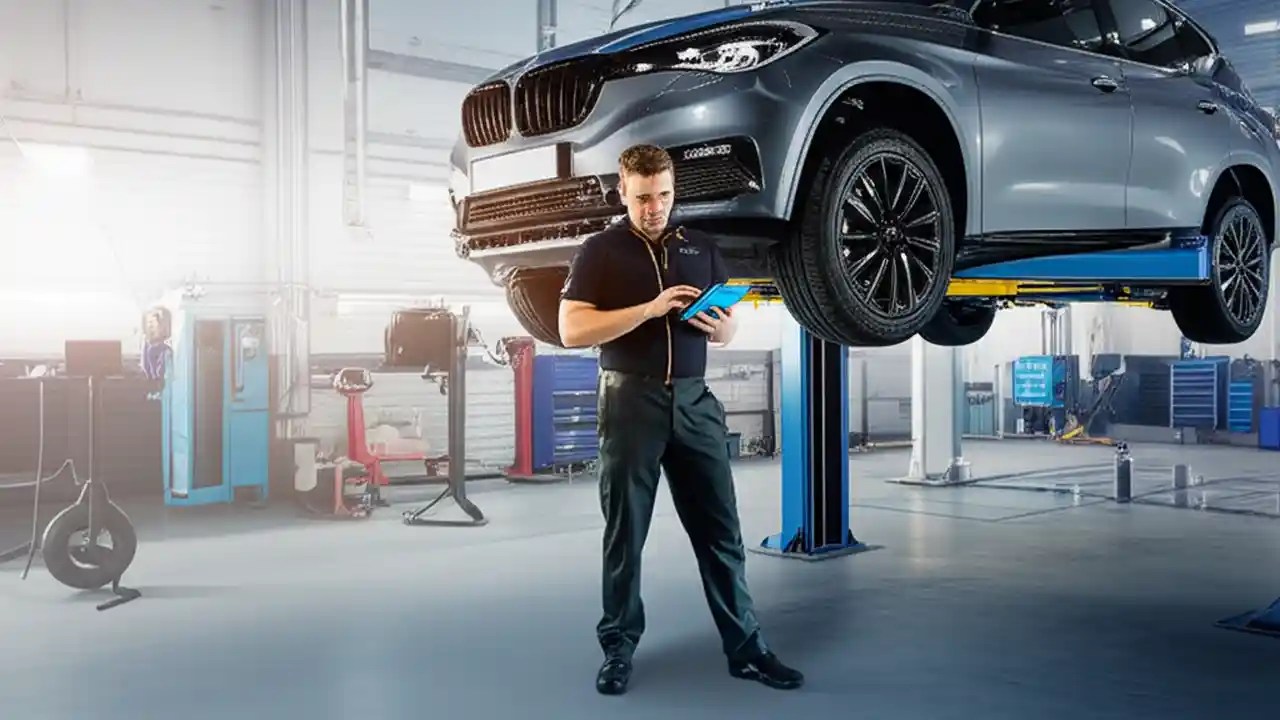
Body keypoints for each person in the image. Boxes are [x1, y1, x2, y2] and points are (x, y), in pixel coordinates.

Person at [558, 144, 804, 695]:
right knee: (626, 536)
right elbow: (572, 329)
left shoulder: (700, 247)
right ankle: (618, 650)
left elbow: (730, 329)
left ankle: (746, 649)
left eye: (664, 195)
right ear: (623, 192)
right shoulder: (600, 250)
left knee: (722, 533)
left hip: (694, 402)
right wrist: (650, 309)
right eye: (643, 197)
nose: (655, 207)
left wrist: (718, 327)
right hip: (628, 404)